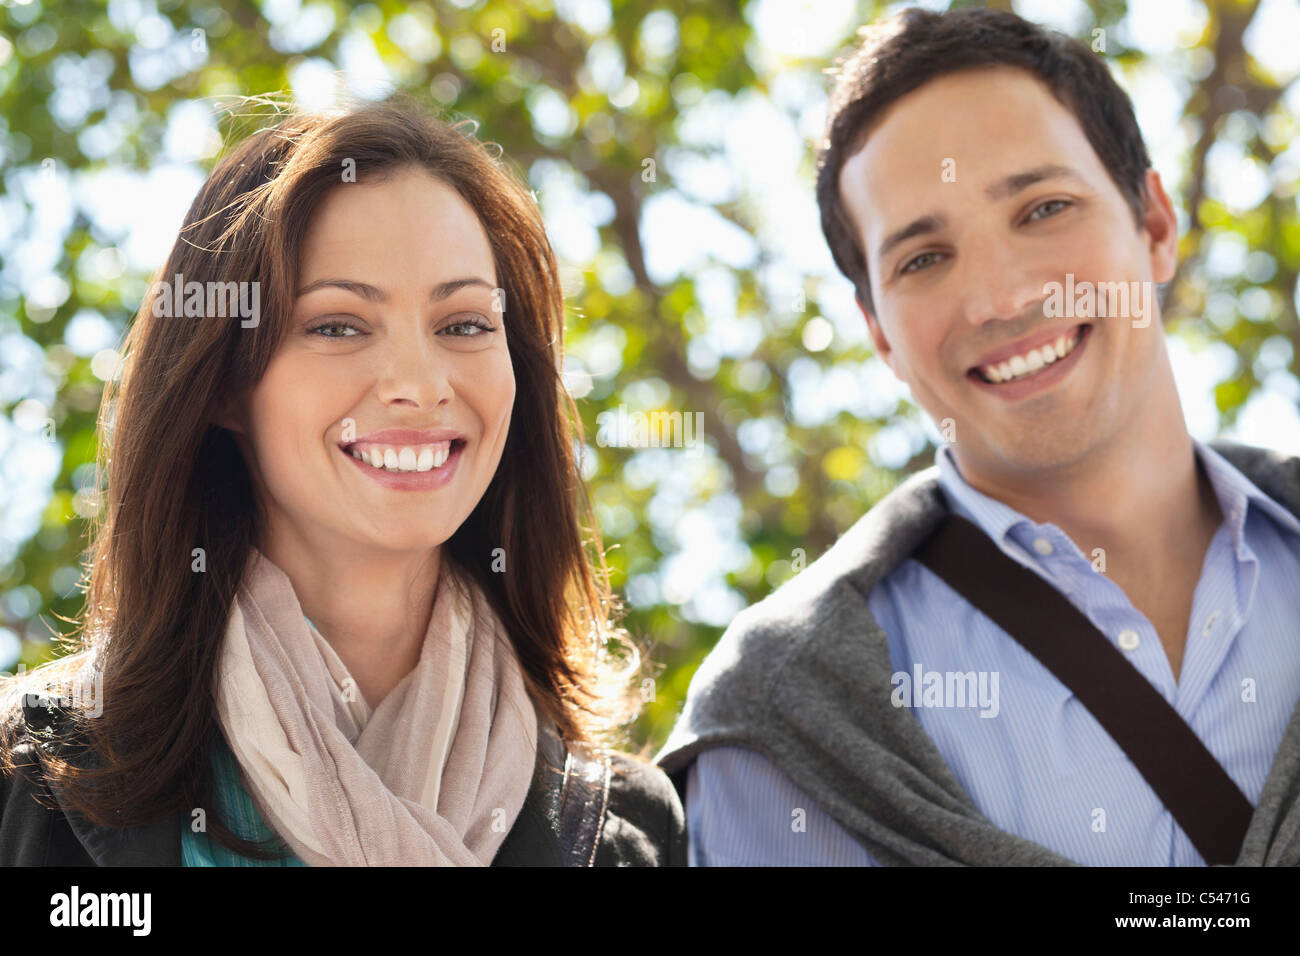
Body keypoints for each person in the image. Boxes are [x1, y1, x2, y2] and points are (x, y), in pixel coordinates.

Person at [656, 6, 1300, 866]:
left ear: (1154, 225)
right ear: (879, 330)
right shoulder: (784, 716)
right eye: (923, 258)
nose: (998, 297)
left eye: (1043, 208)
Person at [0, 96, 685, 867]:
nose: (420, 385)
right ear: (224, 383)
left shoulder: (629, 828)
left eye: (463, 324)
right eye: (337, 326)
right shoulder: (36, 775)